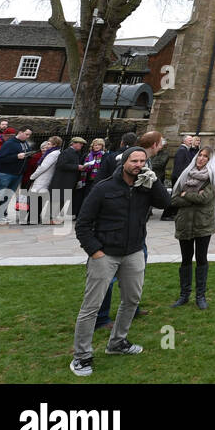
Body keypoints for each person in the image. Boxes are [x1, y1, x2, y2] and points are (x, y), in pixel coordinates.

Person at [70, 147, 170, 376]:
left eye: (143, 161)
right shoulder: (103, 188)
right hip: (105, 253)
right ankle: (82, 355)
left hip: (134, 251)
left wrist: (154, 182)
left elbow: (166, 203)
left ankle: (117, 342)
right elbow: (83, 224)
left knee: (132, 299)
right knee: (91, 306)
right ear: (124, 162)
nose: (138, 164)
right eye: (134, 160)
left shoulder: (145, 186)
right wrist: (95, 252)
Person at [169, 146, 215, 309]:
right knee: (185, 259)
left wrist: (186, 195)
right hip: (184, 222)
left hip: (202, 223)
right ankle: (184, 295)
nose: (201, 158)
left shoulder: (213, 178)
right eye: (200, 155)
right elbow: (174, 200)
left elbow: (205, 198)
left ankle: (200, 296)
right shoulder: (185, 175)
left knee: (201, 258)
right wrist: (192, 196)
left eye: (206, 156)